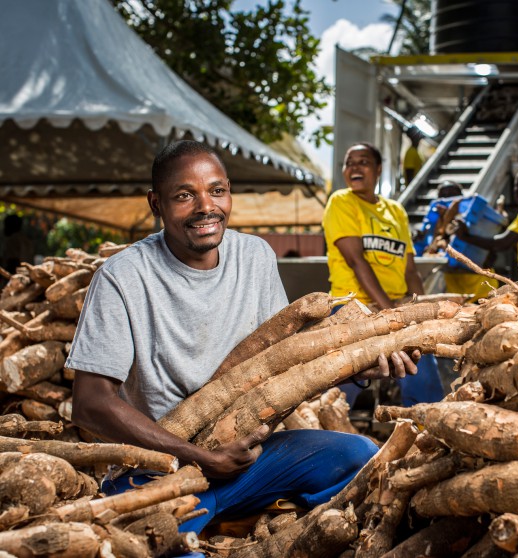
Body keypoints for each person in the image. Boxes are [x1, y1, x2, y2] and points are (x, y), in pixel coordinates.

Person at [66, 141, 418, 544]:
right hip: (162, 470)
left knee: (360, 459)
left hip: (248, 461)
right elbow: (90, 403)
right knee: (154, 542)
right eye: (184, 195)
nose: (206, 207)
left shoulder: (254, 256)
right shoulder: (122, 277)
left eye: (217, 191)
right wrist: (200, 457)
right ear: (156, 203)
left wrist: (357, 367)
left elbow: (285, 361)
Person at [322, 142, 444, 407]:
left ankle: (425, 425)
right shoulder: (341, 202)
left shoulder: (396, 211)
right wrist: (391, 317)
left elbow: (410, 270)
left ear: (378, 169)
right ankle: (322, 424)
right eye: (349, 163)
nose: (354, 167)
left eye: (363, 162)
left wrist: (420, 313)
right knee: (341, 383)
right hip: (353, 309)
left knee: (420, 371)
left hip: (395, 306)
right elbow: (356, 261)